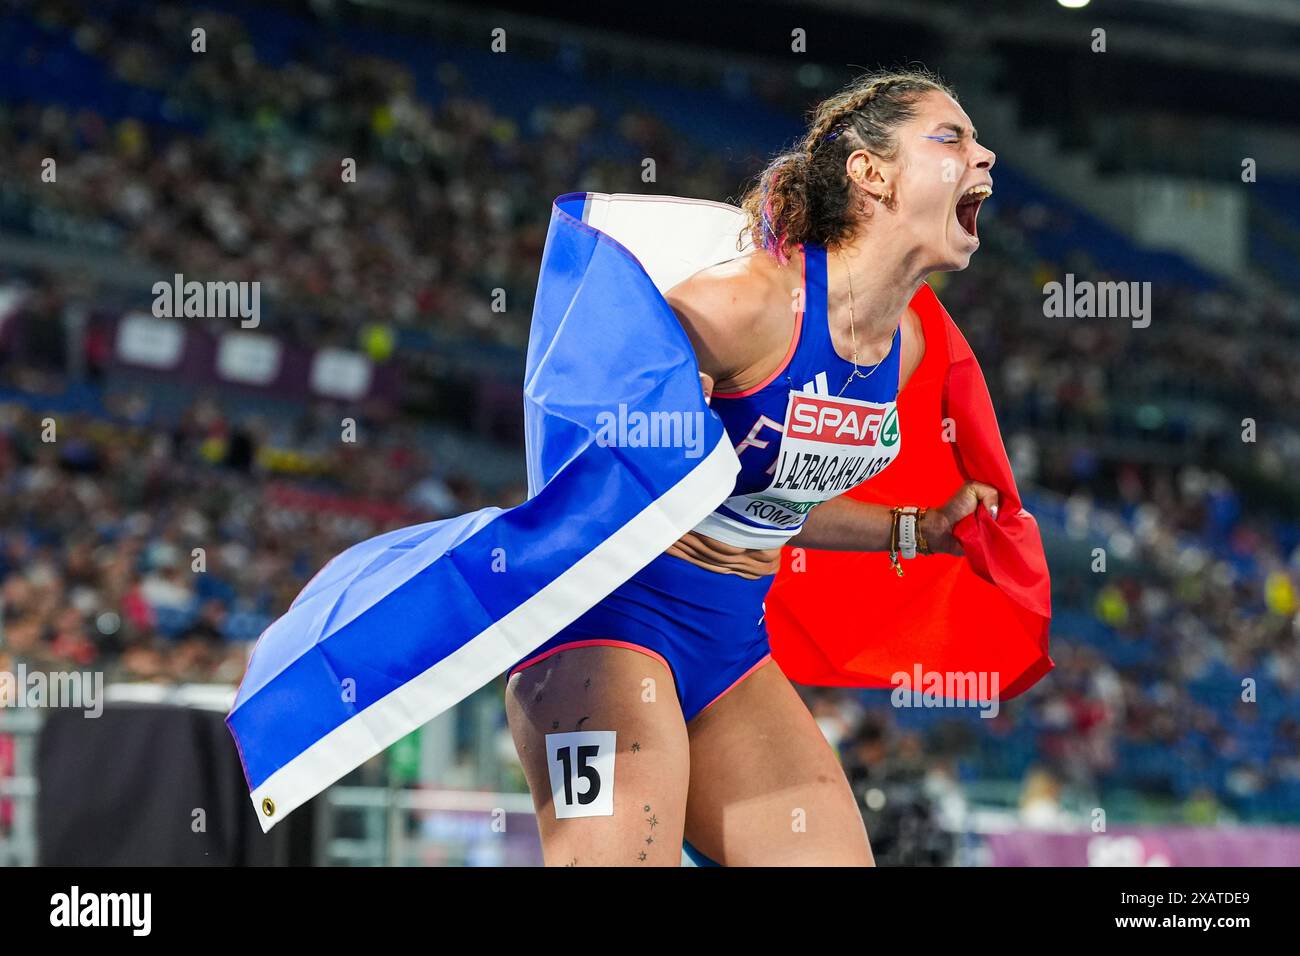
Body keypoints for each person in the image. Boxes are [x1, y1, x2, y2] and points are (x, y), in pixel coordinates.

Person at [504, 68, 1003, 866]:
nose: (985, 156)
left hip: (730, 645)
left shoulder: (901, 347)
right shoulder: (744, 304)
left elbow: (762, 497)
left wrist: (920, 528)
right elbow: (581, 414)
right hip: (606, 628)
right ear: (871, 173)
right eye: (953, 138)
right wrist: (654, 415)